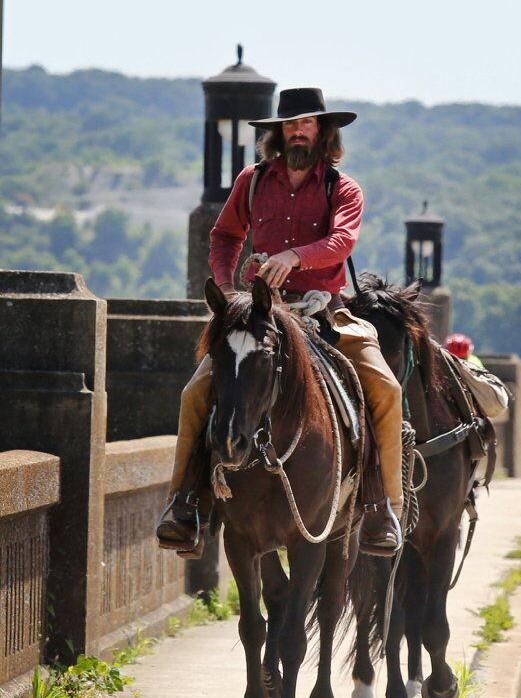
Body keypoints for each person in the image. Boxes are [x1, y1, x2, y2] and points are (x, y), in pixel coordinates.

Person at [155, 87, 403, 557]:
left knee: (385, 389)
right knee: (197, 392)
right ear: (278, 132)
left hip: (320, 309)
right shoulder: (252, 181)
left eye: (307, 122)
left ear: (323, 131)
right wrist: (227, 290)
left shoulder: (342, 189)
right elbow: (225, 235)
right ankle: (186, 504)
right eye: (290, 123)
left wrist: (293, 256)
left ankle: (380, 506)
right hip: (259, 312)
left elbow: (341, 242)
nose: (297, 130)